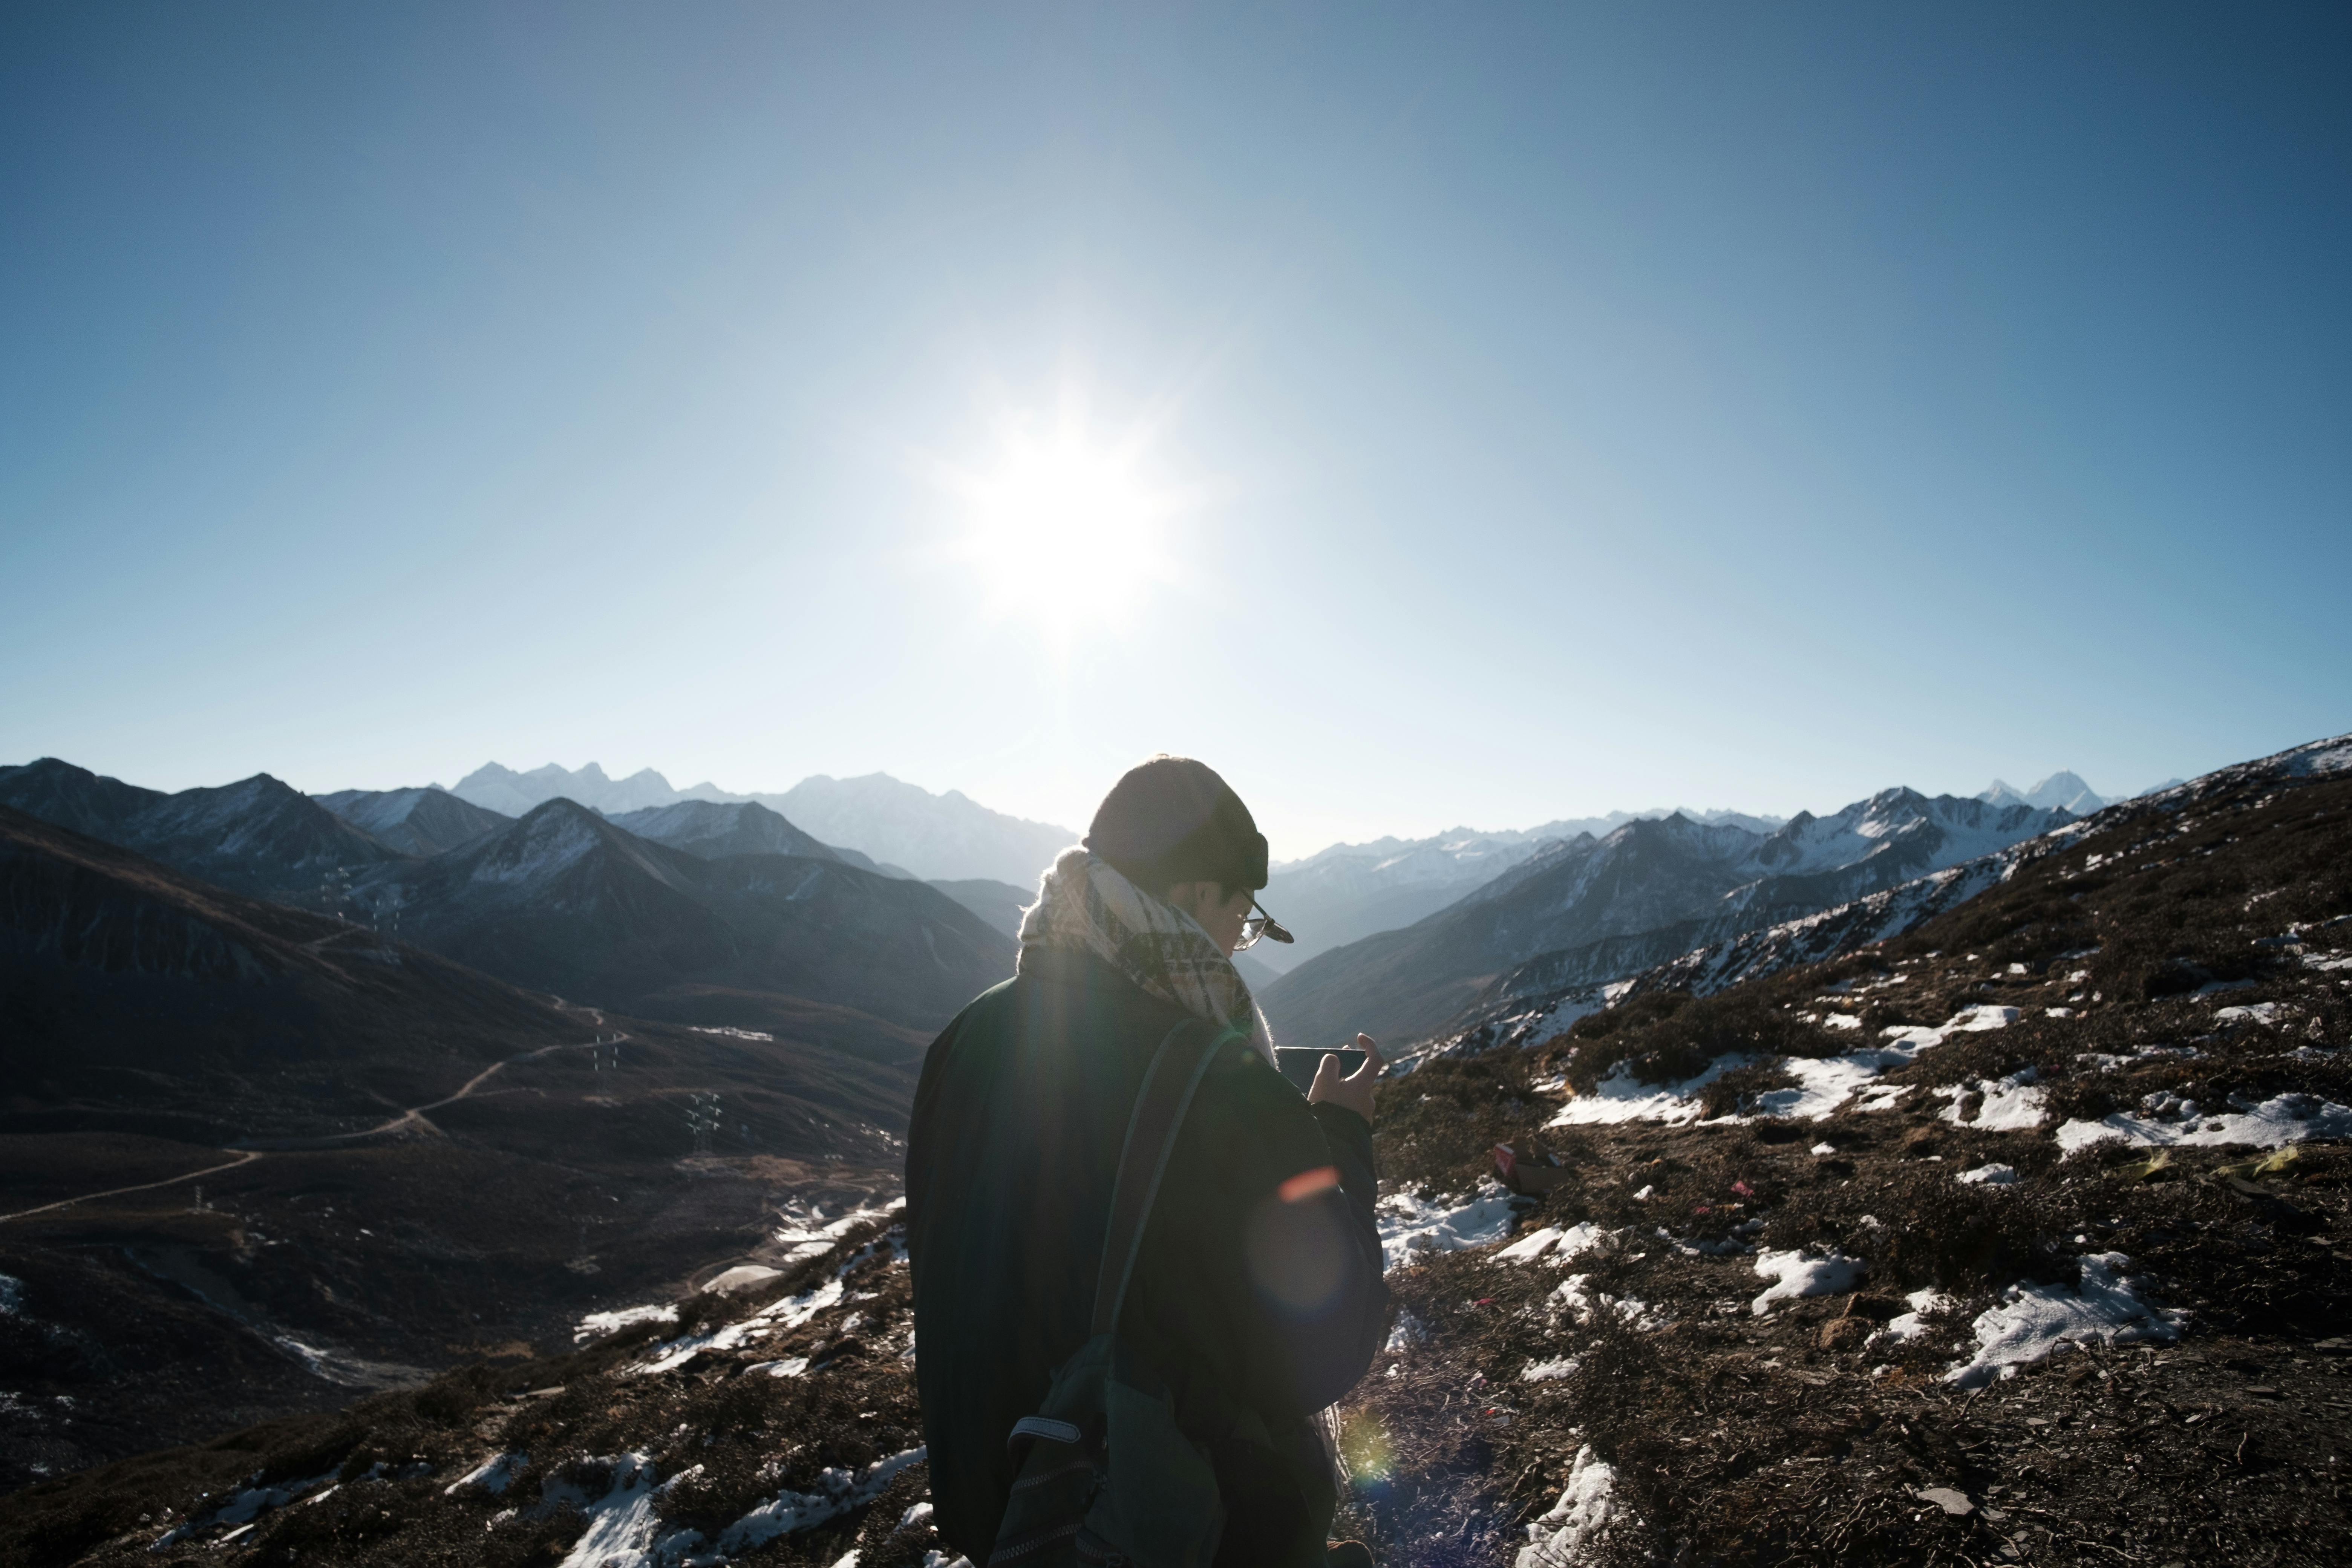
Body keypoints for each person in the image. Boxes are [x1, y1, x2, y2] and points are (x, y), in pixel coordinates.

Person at [906, 755, 1389, 1568]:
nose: (1239, 944)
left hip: (1013, 1512)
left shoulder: (963, 1040)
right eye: (1243, 917)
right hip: (1175, 1527)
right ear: (1197, 893)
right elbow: (1325, 1349)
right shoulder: (1220, 1079)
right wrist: (1338, 1141)